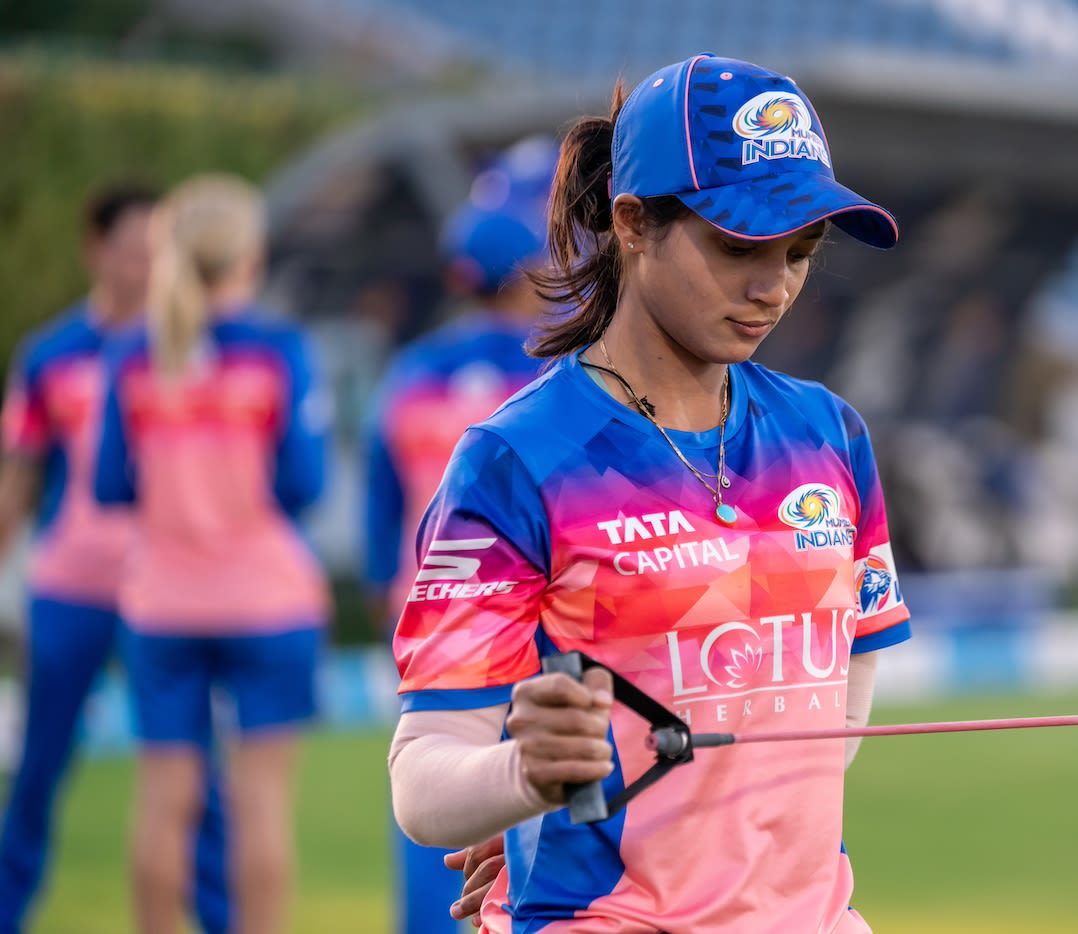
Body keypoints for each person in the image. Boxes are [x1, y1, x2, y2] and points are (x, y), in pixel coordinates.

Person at [389, 53, 910, 933]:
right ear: (633, 224)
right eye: (740, 245)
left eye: (801, 252)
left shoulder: (832, 436)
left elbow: (836, 707)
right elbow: (424, 767)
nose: (773, 286)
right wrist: (520, 783)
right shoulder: (518, 459)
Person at [93, 174, 330, 934]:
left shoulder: (133, 356)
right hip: (267, 601)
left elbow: (107, 483)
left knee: (164, 799)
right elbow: (303, 482)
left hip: (162, 603)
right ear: (248, 257)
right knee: (260, 802)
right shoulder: (279, 349)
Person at [0, 184, 230, 934]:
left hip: (166, 594)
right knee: (38, 774)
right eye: (131, 251)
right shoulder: (49, 355)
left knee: (196, 780)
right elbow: (18, 477)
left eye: (156, 252)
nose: (144, 267)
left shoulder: (197, 352)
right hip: (71, 588)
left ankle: (229, 919)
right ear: (95, 251)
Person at [363, 138, 556, 934]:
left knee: (433, 794)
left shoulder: (410, 372)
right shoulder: (568, 372)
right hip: (538, 623)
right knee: (548, 807)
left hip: (433, 622)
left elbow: (378, 512)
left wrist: (393, 605)